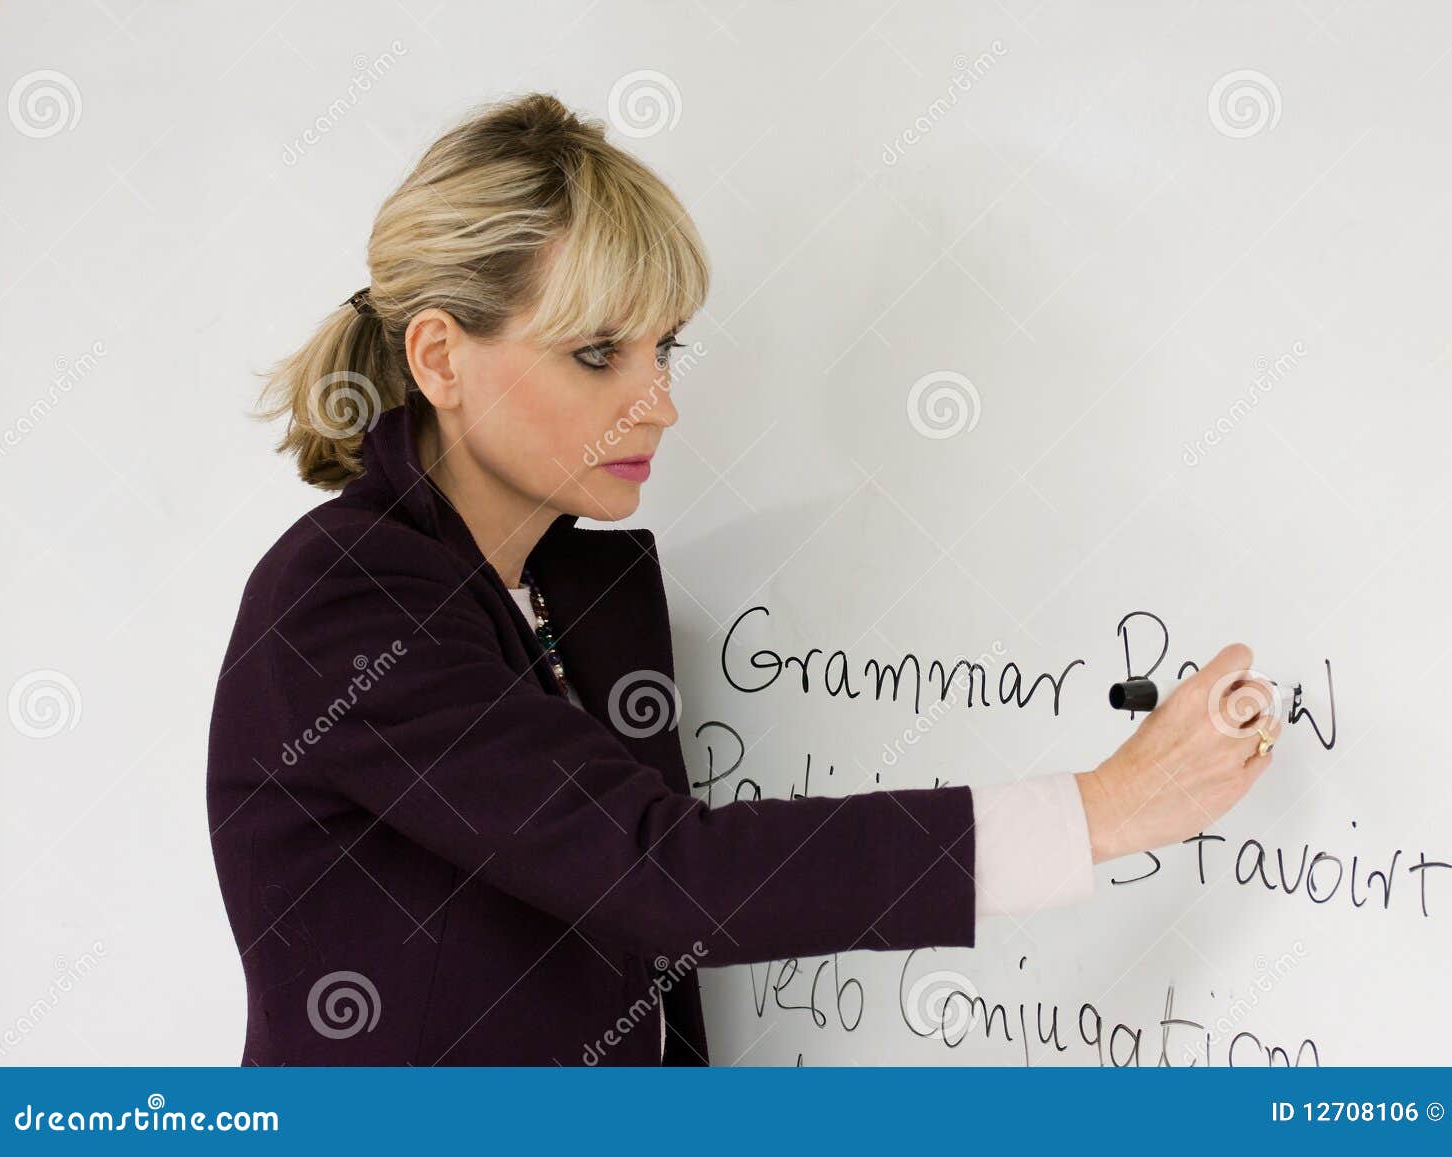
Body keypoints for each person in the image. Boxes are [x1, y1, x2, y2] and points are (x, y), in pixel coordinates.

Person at [205, 91, 1281, 1066]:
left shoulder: (570, 593)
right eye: (597, 354)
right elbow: (667, 878)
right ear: (441, 358)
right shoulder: (344, 596)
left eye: (665, 349)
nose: (660, 403)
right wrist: (1098, 809)